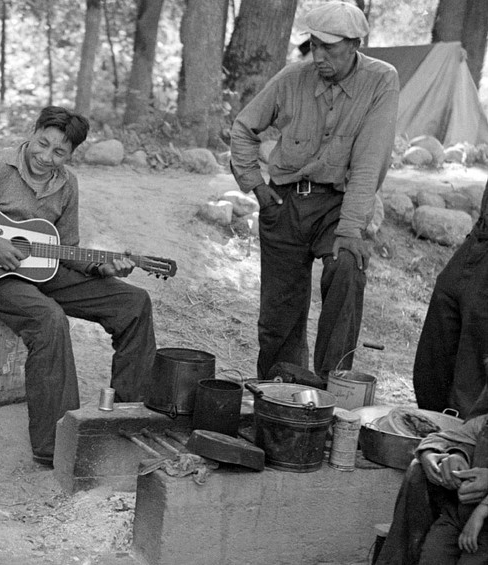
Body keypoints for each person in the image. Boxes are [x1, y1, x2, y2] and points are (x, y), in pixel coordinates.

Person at [0, 106, 159, 467]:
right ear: (33, 132)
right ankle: (56, 444)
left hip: (42, 268)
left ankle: (128, 418)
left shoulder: (67, 185)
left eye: (59, 152)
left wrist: (102, 266)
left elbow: (68, 249)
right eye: (42, 144)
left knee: (134, 302)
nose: (45, 157)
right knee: (49, 319)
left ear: (71, 154)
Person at [228, 1, 399, 381]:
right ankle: (279, 390)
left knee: (347, 268)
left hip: (338, 204)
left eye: (330, 48)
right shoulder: (292, 77)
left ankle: (332, 384)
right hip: (285, 201)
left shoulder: (381, 80)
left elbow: (370, 161)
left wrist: (351, 229)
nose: (319, 56)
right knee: (279, 316)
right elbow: (243, 128)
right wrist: (255, 185)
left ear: (354, 45)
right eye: (315, 45)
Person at [413, 180, 488, 419]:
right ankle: (434, 420)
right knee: (445, 297)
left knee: (478, 318)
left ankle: (464, 427)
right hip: (481, 236)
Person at [376, 412, 488, 564]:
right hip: (458, 517)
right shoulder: (482, 423)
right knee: (432, 555)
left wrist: (481, 511)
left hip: (482, 525)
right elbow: (439, 438)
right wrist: (428, 455)